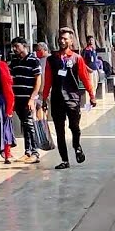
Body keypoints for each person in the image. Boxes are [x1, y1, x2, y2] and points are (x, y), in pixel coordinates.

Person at [42, 28, 97, 170]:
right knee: (59, 131)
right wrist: (44, 99)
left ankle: (77, 146)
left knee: (75, 127)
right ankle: (64, 160)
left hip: (72, 98)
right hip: (57, 99)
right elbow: (47, 80)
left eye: (65, 38)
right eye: (60, 38)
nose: (62, 41)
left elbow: (85, 78)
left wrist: (92, 96)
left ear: (71, 41)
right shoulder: (51, 59)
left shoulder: (77, 58)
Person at [8, 38, 42, 164]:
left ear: (24, 46)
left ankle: (35, 152)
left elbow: (38, 80)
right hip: (17, 98)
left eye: (16, 46)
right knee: (24, 124)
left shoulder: (34, 60)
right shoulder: (15, 61)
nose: (14, 49)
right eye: (13, 47)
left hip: (28, 98)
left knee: (29, 124)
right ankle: (27, 151)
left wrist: (32, 98)